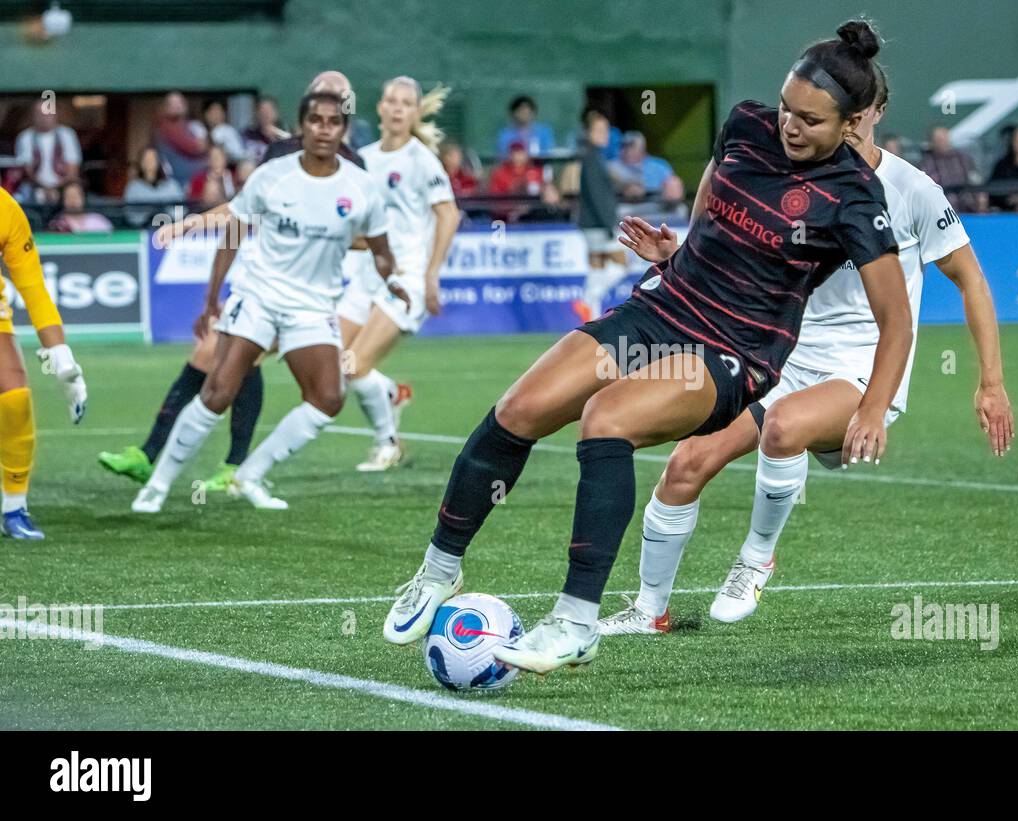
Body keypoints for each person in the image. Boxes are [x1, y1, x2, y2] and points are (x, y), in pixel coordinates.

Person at [381, 20, 909, 675]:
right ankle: (438, 569)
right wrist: (681, 251)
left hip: (735, 351)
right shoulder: (746, 124)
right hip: (664, 305)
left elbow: (898, 320)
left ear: (852, 121)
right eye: (785, 107)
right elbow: (712, 203)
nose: (790, 125)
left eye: (810, 119)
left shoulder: (856, 197)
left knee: (608, 418)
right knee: (521, 407)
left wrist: (872, 407)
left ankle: (575, 621)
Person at [599, 62, 1012, 635]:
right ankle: (649, 612)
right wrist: (681, 254)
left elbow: (971, 280)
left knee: (784, 427)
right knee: (687, 462)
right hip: (776, 350)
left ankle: (755, 559)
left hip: (859, 368)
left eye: (855, 117)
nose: (834, 129)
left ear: (871, 115)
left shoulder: (912, 190)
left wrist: (989, 383)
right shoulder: (788, 174)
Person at [131, 91, 401, 514]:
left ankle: (249, 474)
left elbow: (380, 248)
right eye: (315, 120)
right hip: (259, 295)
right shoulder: (272, 175)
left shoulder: (361, 186)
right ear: (302, 126)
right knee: (218, 392)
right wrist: (211, 300)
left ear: (343, 130)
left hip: (312, 307)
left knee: (328, 398)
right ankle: (158, 485)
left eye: (333, 122)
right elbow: (234, 232)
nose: (323, 128)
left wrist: (394, 280)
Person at [336, 77, 457, 471]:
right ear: (381, 107)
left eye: (407, 102)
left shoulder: (421, 160)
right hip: (366, 275)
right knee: (332, 365)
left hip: (405, 280)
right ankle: (390, 393)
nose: (398, 107)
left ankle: (387, 444)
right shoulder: (364, 158)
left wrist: (431, 274)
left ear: (415, 112)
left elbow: (448, 215)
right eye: (392, 100)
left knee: (354, 365)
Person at [0, 188, 88, 539]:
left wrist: (62, 360)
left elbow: (34, 288)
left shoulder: (6, 209)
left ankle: (14, 506)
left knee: (15, 394)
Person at [564, 107, 626, 323]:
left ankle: (591, 315)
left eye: (606, 130)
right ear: (589, 132)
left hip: (590, 223)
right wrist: (610, 224)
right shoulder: (592, 157)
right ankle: (589, 299)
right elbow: (597, 194)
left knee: (596, 267)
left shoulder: (591, 155)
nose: (604, 135)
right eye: (599, 130)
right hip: (599, 223)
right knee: (621, 266)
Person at [14, 100, 81, 205]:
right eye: (40, 113)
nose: (44, 117)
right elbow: (26, 170)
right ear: (33, 116)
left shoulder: (67, 134)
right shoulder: (25, 137)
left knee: (73, 192)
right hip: (34, 188)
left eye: (48, 113)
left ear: (55, 114)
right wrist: (45, 189)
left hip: (62, 188)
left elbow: (73, 169)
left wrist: (56, 188)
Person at [607, 131, 677, 199]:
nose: (627, 151)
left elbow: (674, 186)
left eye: (632, 147)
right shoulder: (611, 166)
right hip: (624, 204)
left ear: (642, 149)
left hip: (658, 204)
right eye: (624, 146)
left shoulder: (659, 166)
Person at [242, 96, 290, 165]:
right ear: (257, 113)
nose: (266, 114)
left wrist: (274, 137)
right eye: (262, 110)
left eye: (269, 110)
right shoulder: (249, 134)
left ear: (276, 113)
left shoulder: (285, 131)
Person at [47, 183, 111, 233]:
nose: (72, 200)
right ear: (63, 200)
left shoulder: (98, 220)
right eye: (68, 197)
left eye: (76, 196)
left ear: (84, 198)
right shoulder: (57, 225)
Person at [202, 99, 247, 163]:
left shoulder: (226, 129)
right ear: (206, 114)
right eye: (213, 112)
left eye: (219, 111)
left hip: (234, 164)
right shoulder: (201, 130)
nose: (217, 115)